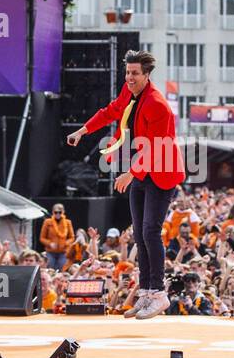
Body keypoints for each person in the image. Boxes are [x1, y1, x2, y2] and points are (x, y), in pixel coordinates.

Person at [68, 50, 185, 320]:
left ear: (146, 75)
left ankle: (159, 294)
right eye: (127, 72)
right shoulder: (129, 92)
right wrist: (82, 130)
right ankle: (145, 292)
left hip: (161, 173)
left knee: (150, 231)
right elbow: (111, 112)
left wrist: (130, 173)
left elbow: (157, 148)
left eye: (135, 73)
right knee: (140, 236)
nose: (129, 77)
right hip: (142, 172)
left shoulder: (158, 104)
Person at [39, 205, 75, 272]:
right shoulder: (48, 222)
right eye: (56, 212)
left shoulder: (68, 222)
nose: (58, 214)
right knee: (50, 268)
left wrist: (65, 243)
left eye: (60, 212)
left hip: (63, 251)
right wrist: (50, 243)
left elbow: (72, 237)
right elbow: (42, 238)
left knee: (62, 267)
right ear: (53, 212)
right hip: (50, 251)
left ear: (63, 212)